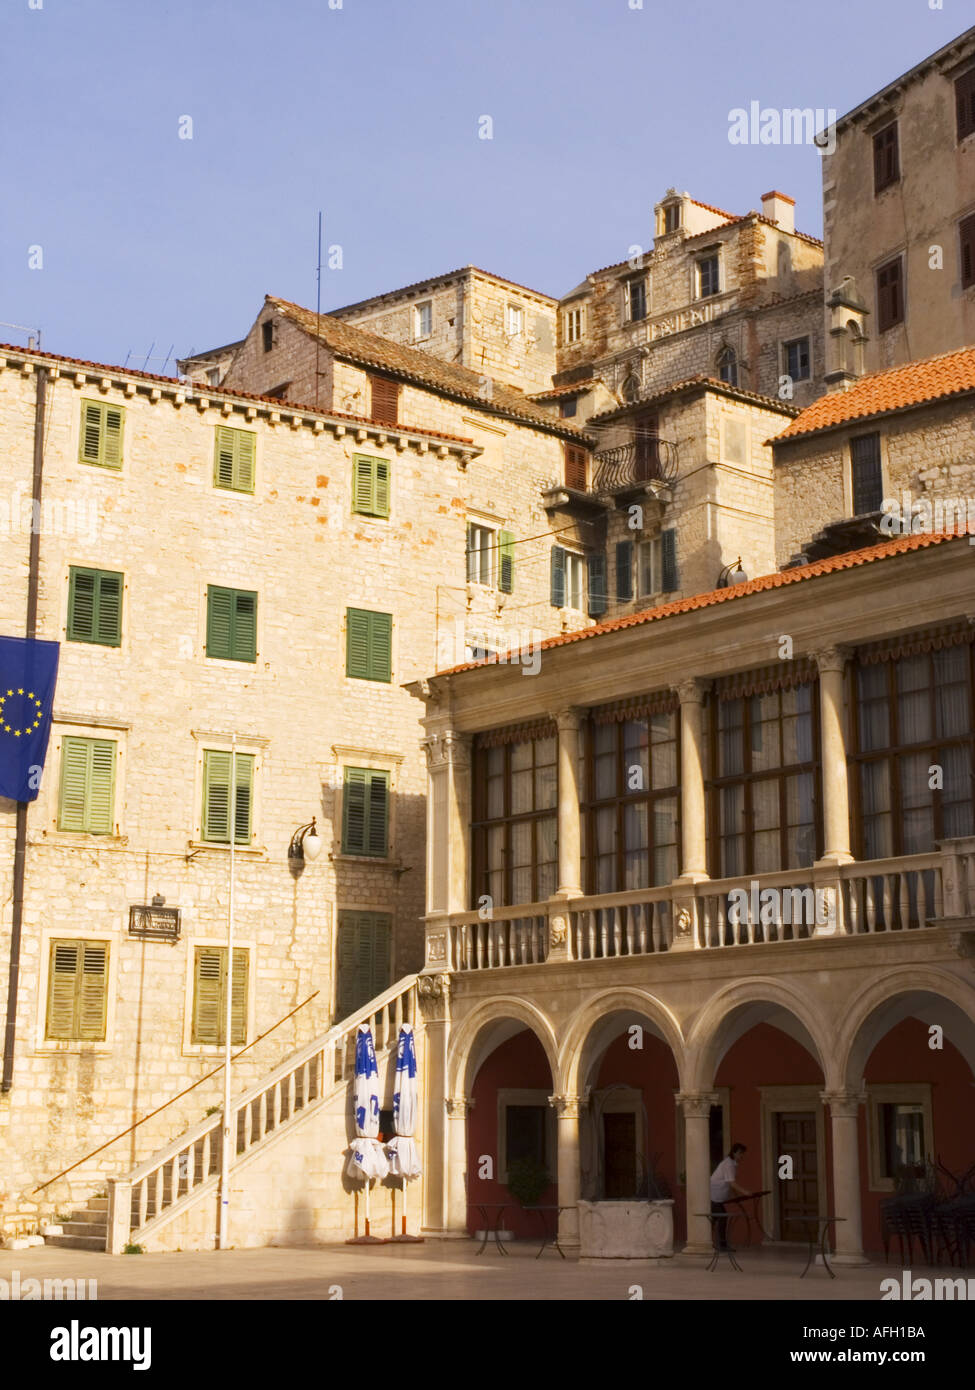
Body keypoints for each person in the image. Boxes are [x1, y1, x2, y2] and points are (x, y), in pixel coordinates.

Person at [710, 1143, 748, 1250]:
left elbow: (729, 1182)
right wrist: (744, 1192)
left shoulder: (732, 1164)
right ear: (734, 1153)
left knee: (715, 1219)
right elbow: (731, 1183)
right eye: (740, 1153)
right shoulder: (728, 1164)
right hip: (714, 1196)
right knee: (721, 1217)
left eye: (743, 1153)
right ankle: (720, 1245)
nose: (742, 1156)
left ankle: (717, 1243)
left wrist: (737, 1196)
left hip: (717, 1197)